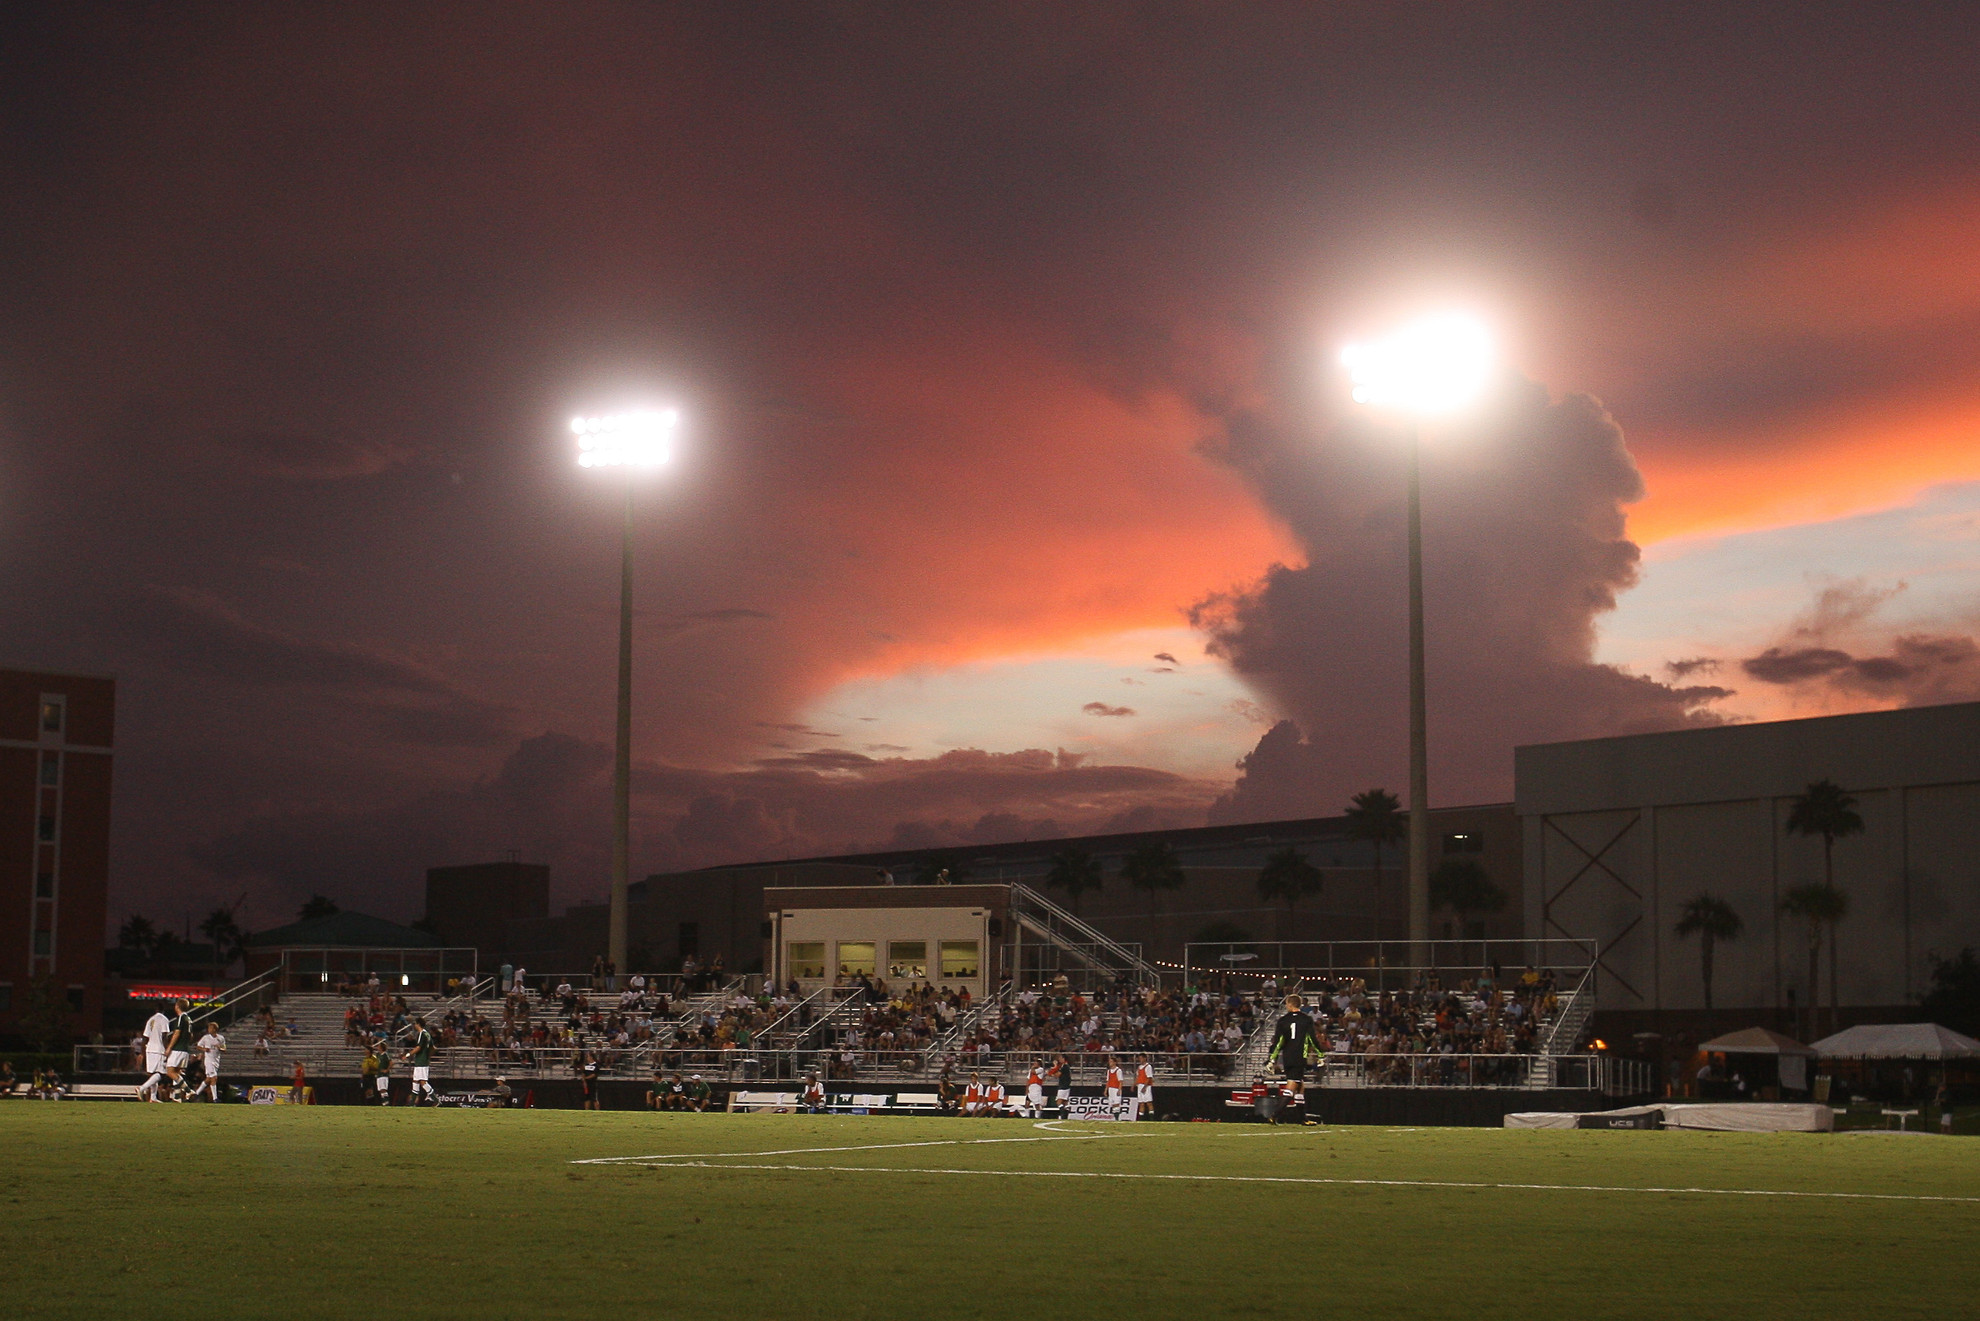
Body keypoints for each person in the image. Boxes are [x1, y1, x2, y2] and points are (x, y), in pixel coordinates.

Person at [1267, 993, 1323, 1124]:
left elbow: (1278, 1042)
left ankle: (1302, 1118)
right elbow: (1311, 1038)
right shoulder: (1306, 1019)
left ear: (1290, 1004)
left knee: (1300, 1085)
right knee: (1292, 1085)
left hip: (1288, 1057)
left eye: (1286, 1003)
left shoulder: (1283, 1020)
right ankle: (1274, 1114)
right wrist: (1320, 1055)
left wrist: (1272, 1059)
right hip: (1299, 1057)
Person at [136, 1003, 173, 1101]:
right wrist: (167, 1048)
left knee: (153, 1074)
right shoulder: (164, 1019)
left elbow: (145, 1038)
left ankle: (153, 1097)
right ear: (163, 1010)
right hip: (158, 1049)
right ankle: (142, 1088)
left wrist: (143, 1052)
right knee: (161, 1073)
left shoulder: (150, 1020)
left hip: (149, 1049)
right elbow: (165, 1035)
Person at [402, 1017, 437, 1106]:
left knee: (422, 1082)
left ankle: (435, 1100)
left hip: (421, 1061)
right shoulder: (427, 1034)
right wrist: (428, 1056)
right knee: (415, 1081)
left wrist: (408, 1055)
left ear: (418, 1024)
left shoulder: (422, 1034)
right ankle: (412, 1103)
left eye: (415, 1024)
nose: (414, 1025)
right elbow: (433, 1048)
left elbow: (418, 1047)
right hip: (421, 1060)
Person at [194, 1024, 226, 1102]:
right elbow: (198, 1046)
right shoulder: (206, 1038)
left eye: (210, 1028)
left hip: (216, 1061)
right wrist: (204, 1049)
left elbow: (224, 1049)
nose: (209, 1029)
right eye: (208, 1028)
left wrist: (220, 1048)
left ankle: (196, 1094)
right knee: (214, 1078)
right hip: (208, 1061)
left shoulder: (221, 1038)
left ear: (215, 1029)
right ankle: (215, 1098)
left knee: (208, 1079)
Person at [1133, 1054, 1155, 1121]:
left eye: (1141, 1058)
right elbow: (1138, 1077)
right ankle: (1141, 1119)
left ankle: (1151, 1119)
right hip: (1140, 1085)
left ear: (1145, 1058)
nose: (1140, 1060)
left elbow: (1149, 1077)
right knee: (1141, 1103)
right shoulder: (1139, 1067)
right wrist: (1133, 1085)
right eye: (1139, 1058)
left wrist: (1145, 1087)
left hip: (1146, 1086)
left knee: (1148, 1102)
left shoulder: (1148, 1067)